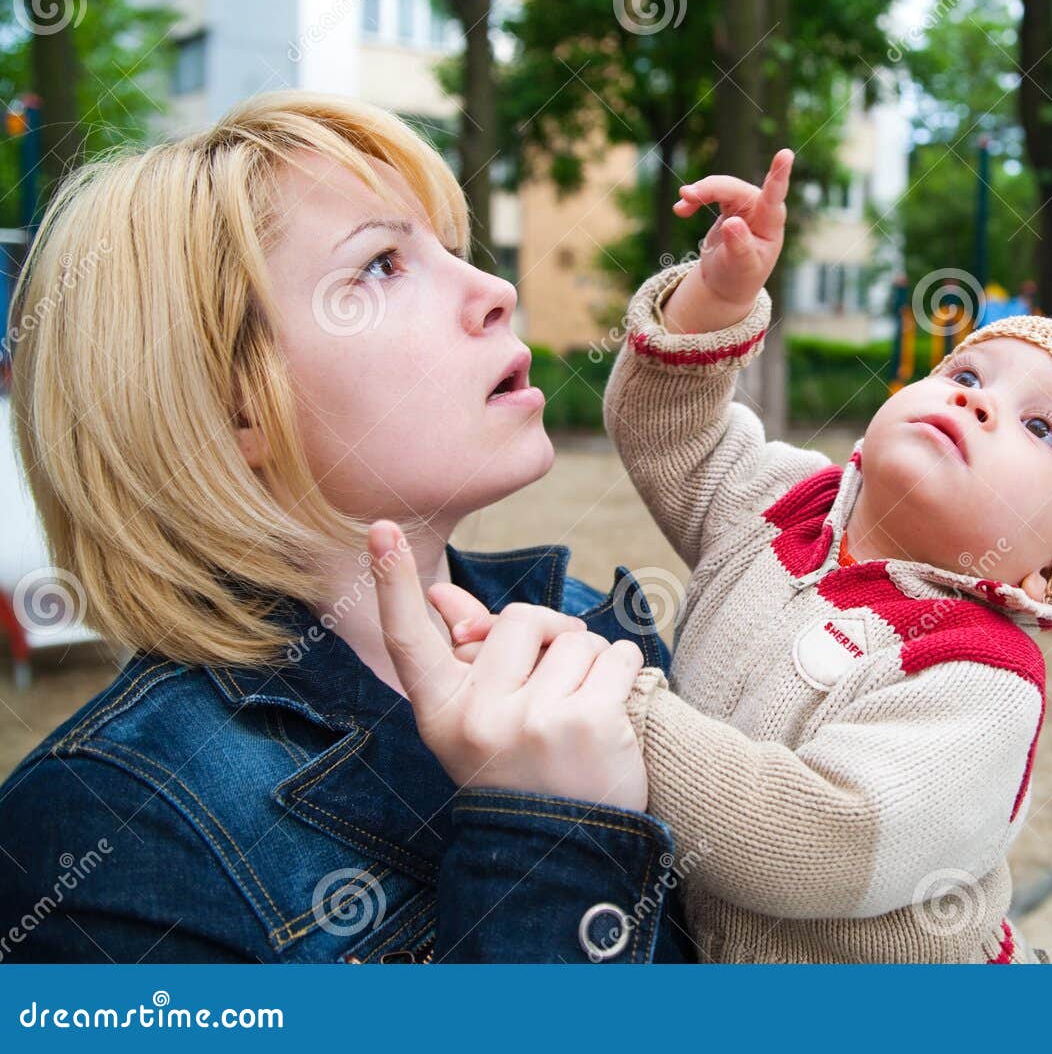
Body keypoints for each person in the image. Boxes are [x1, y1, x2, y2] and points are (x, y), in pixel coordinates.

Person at [0, 92, 688, 963]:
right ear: (233, 404)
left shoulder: (592, 627)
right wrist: (549, 841)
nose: (494, 291)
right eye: (382, 265)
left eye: (447, 248)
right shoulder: (107, 830)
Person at [431, 150, 1052, 962]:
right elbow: (672, 433)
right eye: (967, 370)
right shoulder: (787, 501)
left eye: (1040, 427)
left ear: (1046, 576)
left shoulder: (977, 679)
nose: (978, 399)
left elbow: (827, 836)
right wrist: (715, 301)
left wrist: (616, 708)